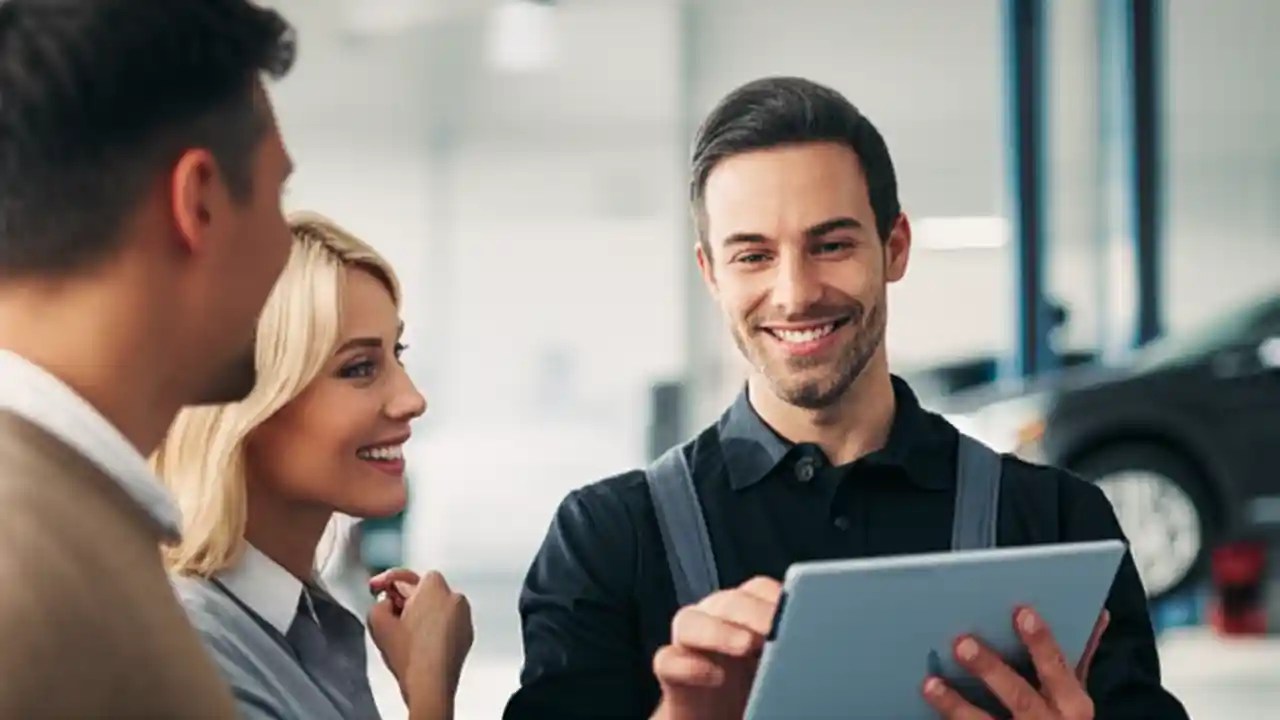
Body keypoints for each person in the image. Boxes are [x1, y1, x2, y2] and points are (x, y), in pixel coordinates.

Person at [504, 77, 1189, 720]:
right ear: (710, 273)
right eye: (753, 255)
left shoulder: (1059, 524)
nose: (795, 293)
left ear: (895, 247)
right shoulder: (606, 542)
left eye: (830, 245)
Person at [0, 1, 297, 716]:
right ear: (199, 201)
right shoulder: (25, 573)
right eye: (279, 195)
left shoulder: (74, 521)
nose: (289, 243)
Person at [155, 213, 474, 720]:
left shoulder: (303, 624)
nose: (412, 399)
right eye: (360, 368)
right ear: (243, 405)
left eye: (398, 353)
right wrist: (431, 695)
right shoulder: (188, 658)